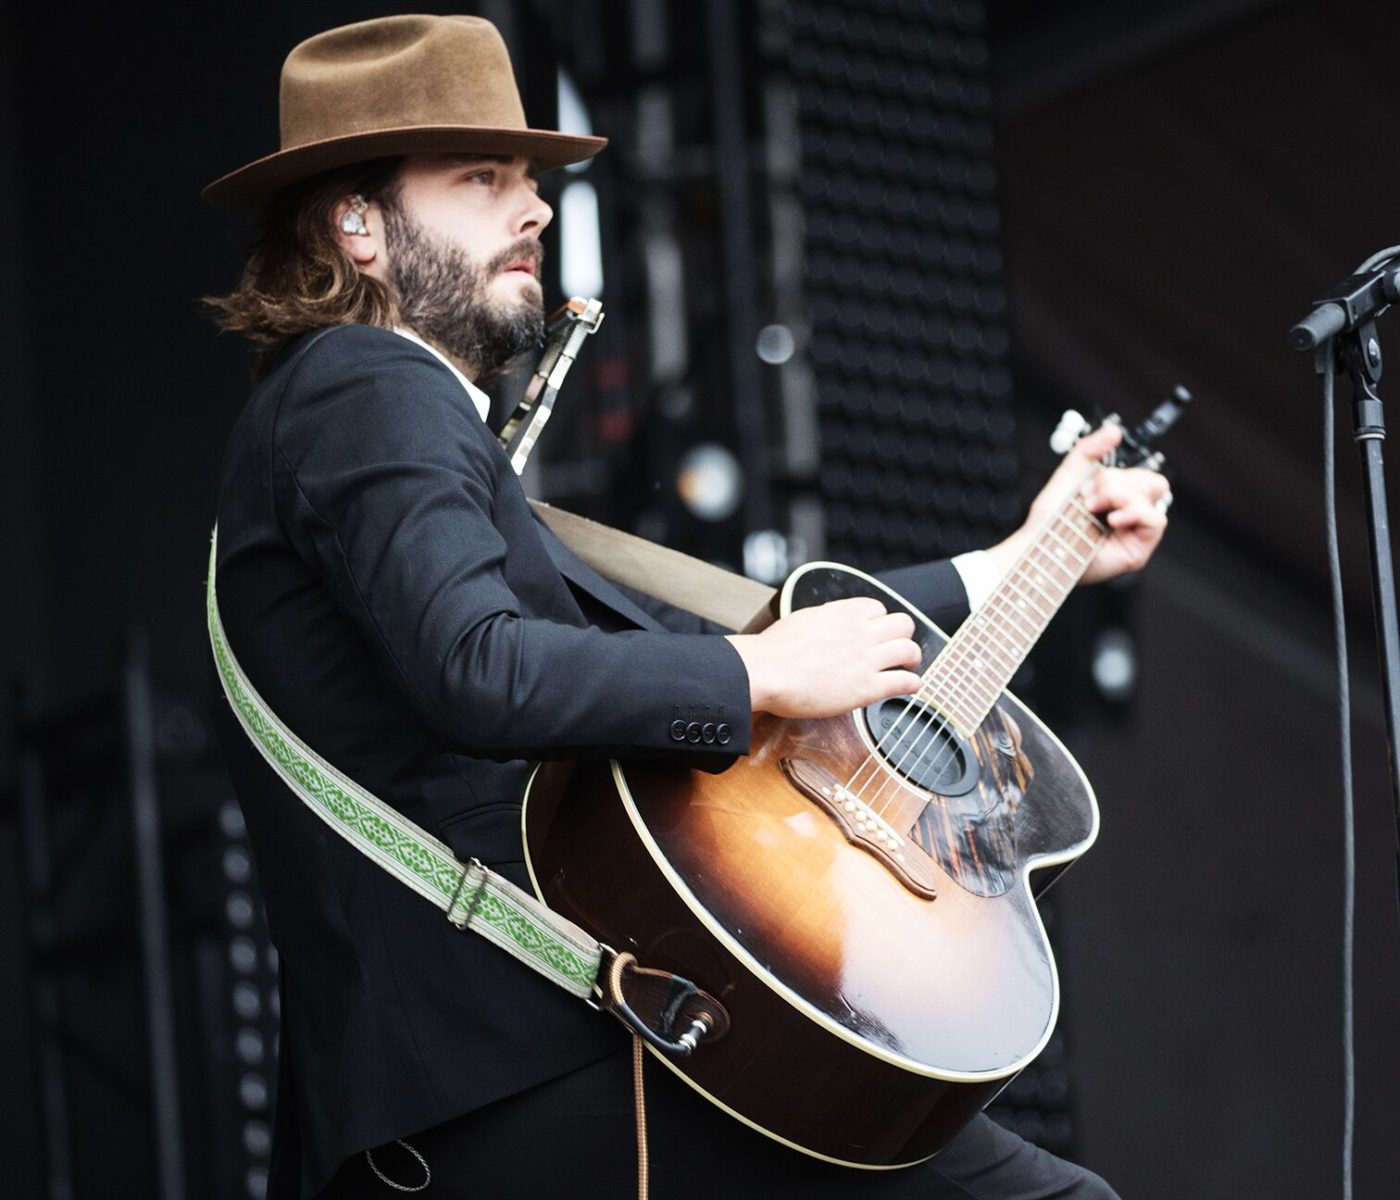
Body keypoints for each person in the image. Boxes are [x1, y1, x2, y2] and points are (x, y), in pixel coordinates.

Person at [204, 14, 1169, 1200]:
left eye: (530, 181)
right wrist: (762, 682)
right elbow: (482, 670)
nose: (536, 209)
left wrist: (1028, 561)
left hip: (504, 1070)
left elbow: (709, 633)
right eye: (480, 178)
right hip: (520, 1057)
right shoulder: (366, 384)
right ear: (359, 226)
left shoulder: (375, 422)